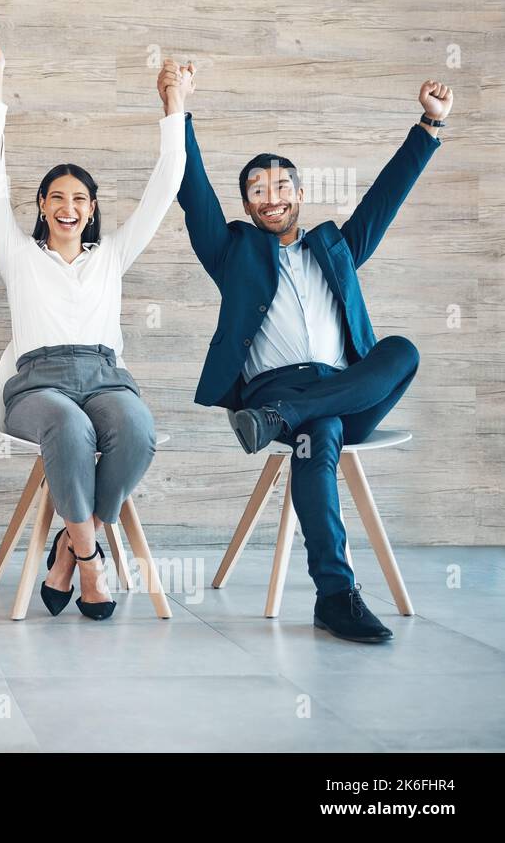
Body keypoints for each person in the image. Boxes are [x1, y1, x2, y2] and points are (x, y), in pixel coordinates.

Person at [179, 67, 450, 642]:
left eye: (281, 188)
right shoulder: (232, 253)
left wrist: (429, 124)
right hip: (275, 394)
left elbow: (385, 197)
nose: (271, 198)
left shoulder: (336, 249)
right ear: (248, 205)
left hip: (339, 392)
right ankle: (336, 596)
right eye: (258, 191)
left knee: (401, 349)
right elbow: (193, 189)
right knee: (318, 437)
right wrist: (178, 109)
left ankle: (291, 420)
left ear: (300, 195)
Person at [0, 34, 187, 620]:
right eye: (56, 198)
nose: (68, 207)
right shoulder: (17, 254)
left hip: (105, 375)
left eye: (80, 199)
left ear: (92, 209)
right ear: (41, 206)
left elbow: (166, 183)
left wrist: (173, 106)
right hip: (37, 385)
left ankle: (70, 547)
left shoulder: (112, 256)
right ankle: (92, 564)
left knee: (138, 429)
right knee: (68, 428)